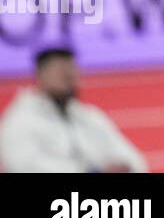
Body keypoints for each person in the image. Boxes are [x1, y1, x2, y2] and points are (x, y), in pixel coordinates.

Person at [0, 48, 148, 173]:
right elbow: (21, 166)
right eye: (62, 74)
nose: (70, 80)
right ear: (41, 76)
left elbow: (133, 158)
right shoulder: (20, 120)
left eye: (72, 74)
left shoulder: (89, 116)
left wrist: (126, 167)